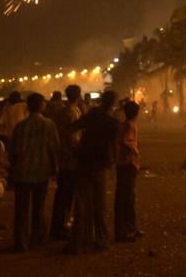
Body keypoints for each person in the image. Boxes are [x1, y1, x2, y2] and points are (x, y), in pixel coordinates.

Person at [68, 90, 120, 254]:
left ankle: (78, 241)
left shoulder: (92, 115)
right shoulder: (112, 122)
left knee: (82, 202)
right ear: (113, 103)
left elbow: (72, 127)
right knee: (99, 204)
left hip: (83, 162)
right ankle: (101, 240)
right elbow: (115, 145)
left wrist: (75, 148)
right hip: (100, 164)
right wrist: (114, 163)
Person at [9, 93, 60, 252]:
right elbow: (54, 148)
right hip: (41, 171)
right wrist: (55, 168)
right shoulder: (49, 124)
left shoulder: (20, 126)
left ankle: (21, 242)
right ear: (41, 105)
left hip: (22, 171)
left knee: (21, 210)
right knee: (39, 207)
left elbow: (13, 152)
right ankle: (37, 239)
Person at [49, 84, 83, 240]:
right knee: (66, 195)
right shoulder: (72, 112)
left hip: (64, 158)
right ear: (78, 95)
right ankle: (60, 228)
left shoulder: (64, 110)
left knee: (64, 194)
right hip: (70, 159)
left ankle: (59, 226)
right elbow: (73, 137)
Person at [115, 100, 142, 242]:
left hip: (124, 163)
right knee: (127, 197)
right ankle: (126, 229)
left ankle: (131, 227)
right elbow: (124, 141)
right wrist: (135, 150)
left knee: (128, 197)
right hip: (128, 163)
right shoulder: (130, 126)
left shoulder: (125, 124)